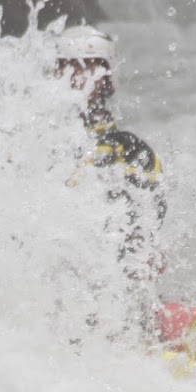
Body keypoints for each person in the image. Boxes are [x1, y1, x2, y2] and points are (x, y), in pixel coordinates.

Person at [55, 26, 168, 292]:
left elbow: (146, 236)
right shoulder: (33, 145)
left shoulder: (132, 152)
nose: (76, 79)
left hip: (107, 285)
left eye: (87, 68)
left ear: (107, 77)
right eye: (67, 68)